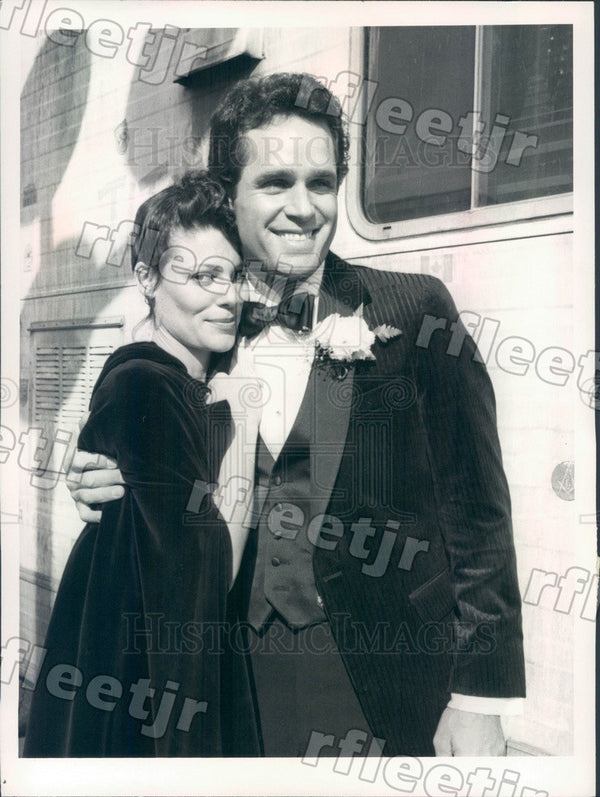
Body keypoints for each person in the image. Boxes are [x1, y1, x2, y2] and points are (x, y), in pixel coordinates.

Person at [66, 73, 525, 757]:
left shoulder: (415, 311)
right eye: (276, 182)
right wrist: (96, 480)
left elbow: (479, 512)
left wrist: (480, 696)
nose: (303, 208)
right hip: (230, 685)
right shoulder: (201, 336)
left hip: (388, 681)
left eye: (321, 183)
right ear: (230, 195)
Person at [24, 171, 260, 757]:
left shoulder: (172, 376)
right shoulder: (147, 386)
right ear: (147, 279)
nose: (229, 296)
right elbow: (206, 577)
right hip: (143, 688)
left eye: (235, 275)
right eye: (203, 276)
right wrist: (244, 422)